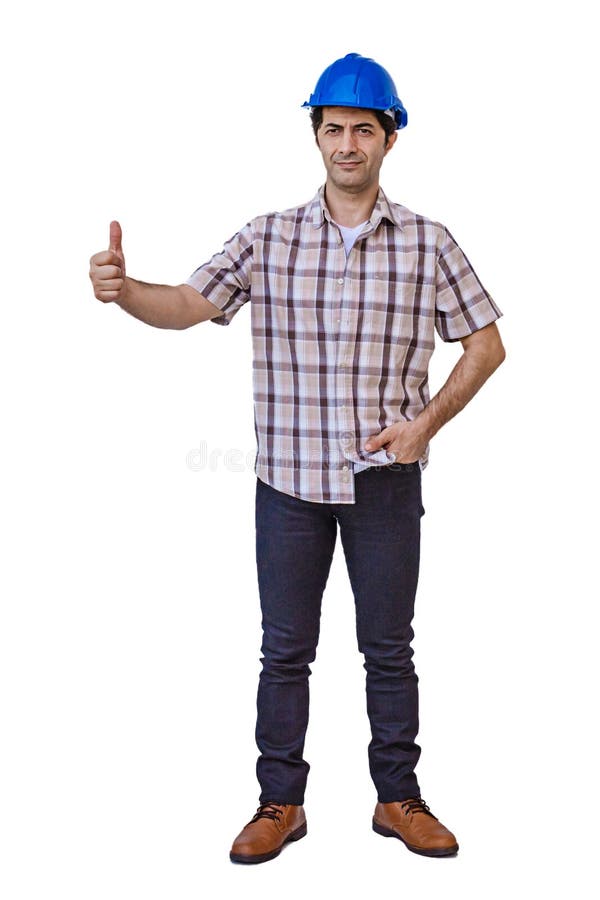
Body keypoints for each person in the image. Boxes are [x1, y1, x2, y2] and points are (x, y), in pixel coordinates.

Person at [89, 52, 505, 864]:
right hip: (287, 488)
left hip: (385, 485)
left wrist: (424, 427)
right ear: (316, 135)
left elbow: (486, 345)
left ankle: (397, 798)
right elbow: (188, 303)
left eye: (363, 130)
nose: (347, 144)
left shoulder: (428, 243)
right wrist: (125, 290)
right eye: (334, 128)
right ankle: (279, 802)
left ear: (389, 139)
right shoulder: (268, 237)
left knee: (389, 651)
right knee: (284, 652)